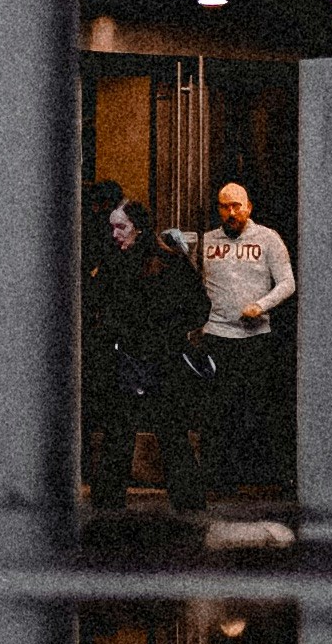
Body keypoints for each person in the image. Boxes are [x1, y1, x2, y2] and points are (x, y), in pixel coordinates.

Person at [83, 177, 208, 506]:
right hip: (139, 356)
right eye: (113, 228)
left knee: (137, 433)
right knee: (155, 433)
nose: (115, 234)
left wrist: (167, 333)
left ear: (137, 227)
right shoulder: (128, 263)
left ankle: (112, 501)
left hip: (151, 357)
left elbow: (198, 307)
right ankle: (184, 501)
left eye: (121, 227)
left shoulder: (164, 263)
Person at [198, 173, 298, 492]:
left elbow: (287, 283)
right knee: (216, 410)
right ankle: (217, 478)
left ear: (248, 207)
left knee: (256, 407)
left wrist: (261, 304)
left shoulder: (268, 239)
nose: (229, 213)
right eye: (223, 207)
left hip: (255, 338)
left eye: (235, 206)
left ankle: (259, 476)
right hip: (216, 334)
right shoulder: (209, 241)